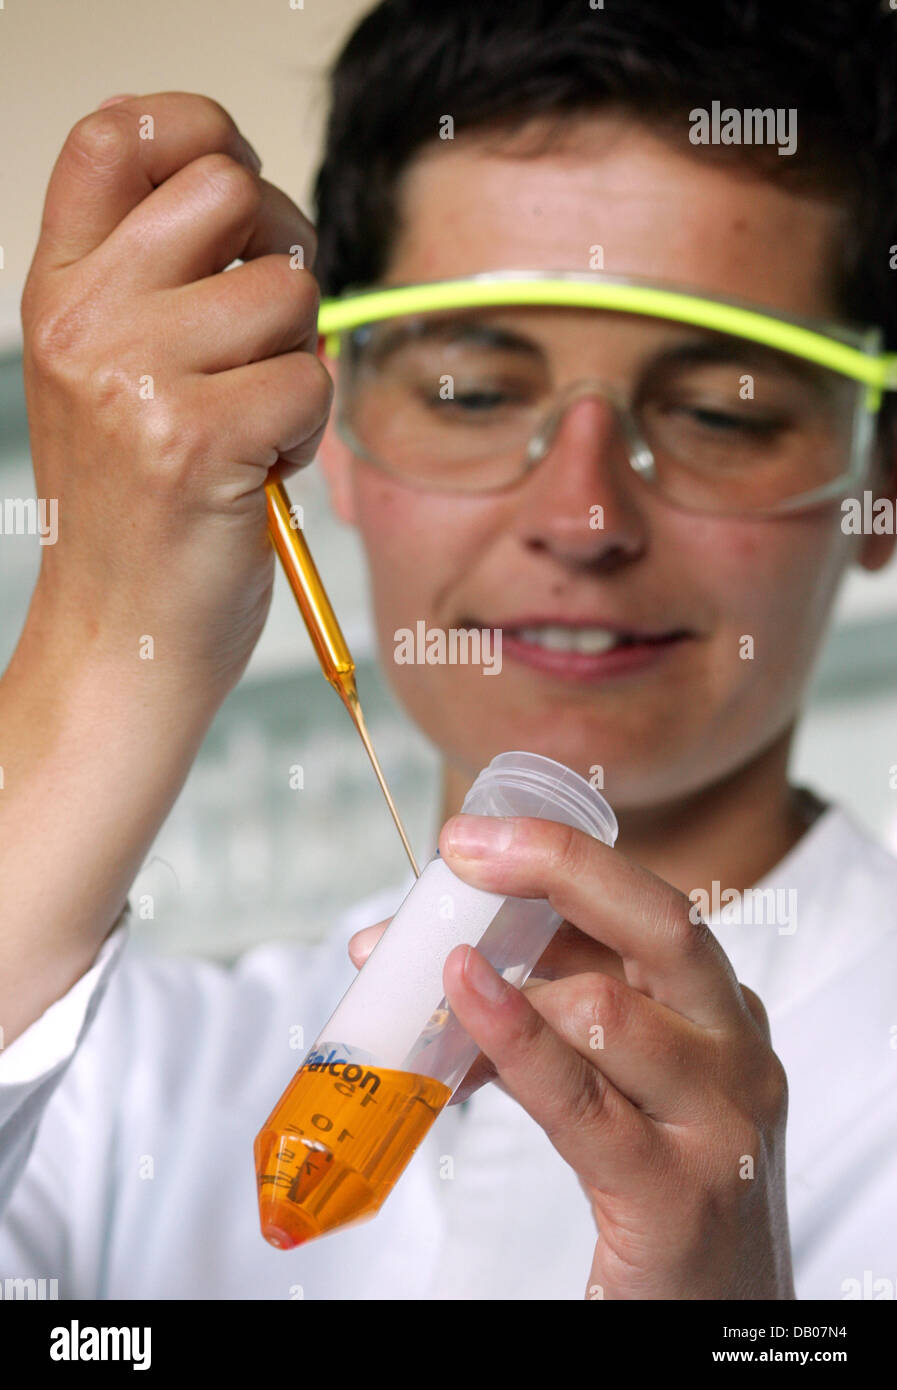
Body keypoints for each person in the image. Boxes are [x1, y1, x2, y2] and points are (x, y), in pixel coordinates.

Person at [1, 0, 896, 1300]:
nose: (582, 518)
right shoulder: (122, 1086)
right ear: (330, 423)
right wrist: (104, 646)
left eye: (717, 412)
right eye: (471, 393)